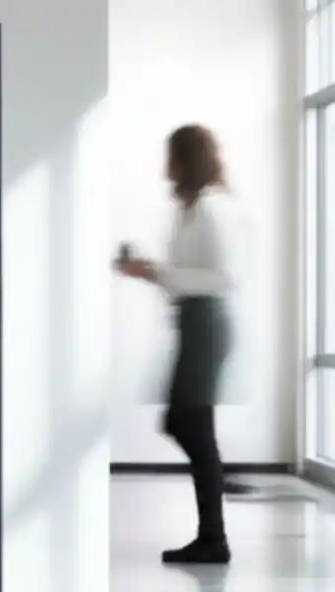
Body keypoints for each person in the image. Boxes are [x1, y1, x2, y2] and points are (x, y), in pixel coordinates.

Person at [114, 124, 247, 565]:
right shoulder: (189, 208)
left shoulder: (210, 208)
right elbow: (186, 274)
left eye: (171, 156)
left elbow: (223, 277)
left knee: (189, 424)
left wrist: (156, 272)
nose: (164, 165)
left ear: (186, 159)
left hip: (207, 324)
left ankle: (215, 531)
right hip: (193, 323)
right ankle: (213, 525)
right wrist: (151, 271)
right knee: (183, 423)